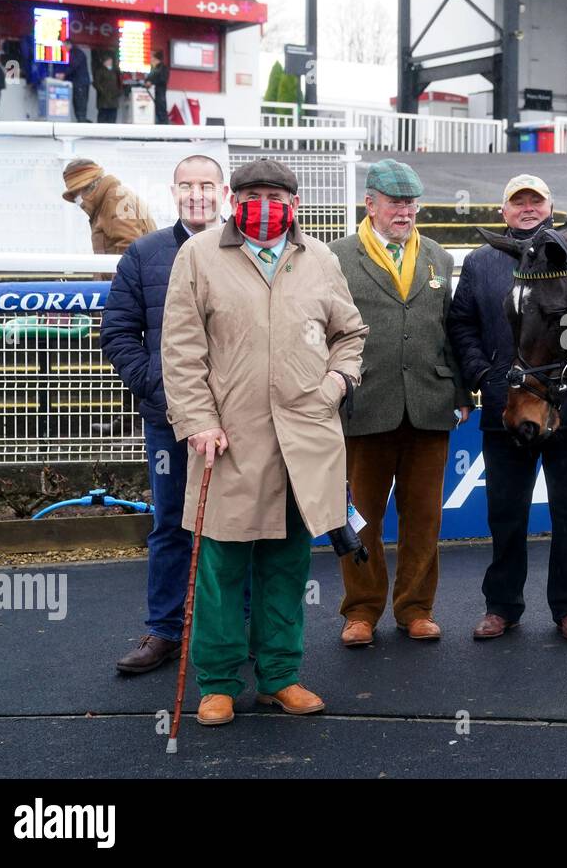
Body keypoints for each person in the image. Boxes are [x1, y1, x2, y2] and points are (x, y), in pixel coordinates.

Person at [162, 159, 368, 727]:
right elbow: (181, 349)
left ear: (295, 204)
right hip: (227, 442)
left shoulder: (320, 259)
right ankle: (219, 682)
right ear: (233, 198)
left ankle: (279, 676)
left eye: (275, 194)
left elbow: (350, 333)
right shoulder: (199, 256)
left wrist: (335, 384)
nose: (263, 202)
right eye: (251, 193)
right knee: (222, 568)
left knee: (286, 565)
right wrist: (198, 420)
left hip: (304, 442)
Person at [447, 175, 567, 643]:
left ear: (550, 208)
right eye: (517, 202)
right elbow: (462, 325)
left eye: (534, 201)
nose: (527, 209)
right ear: (503, 212)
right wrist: (484, 377)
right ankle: (502, 607)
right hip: (506, 409)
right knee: (506, 513)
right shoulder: (481, 263)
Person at [327, 160, 472, 646]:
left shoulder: (438, 257)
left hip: (430, 405)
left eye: (411, 203)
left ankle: (415, 608)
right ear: (370, 204)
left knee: (424, 517)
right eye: (395, 202)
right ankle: (361, 612)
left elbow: (450, 330)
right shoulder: (337, 257)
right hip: (364, 404)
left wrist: (461, 393)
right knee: (361, 517)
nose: (405, 211)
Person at [101, 155, 227, 673]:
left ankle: (235, 629)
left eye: (206, 186)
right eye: (186, 186)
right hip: (169, 421)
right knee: (172, 525)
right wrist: (164, 390)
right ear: (174, 192)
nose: (197, 195)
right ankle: (165, 631)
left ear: (223, 192)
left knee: (236, 526)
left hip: (237, 421)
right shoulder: (144, 254)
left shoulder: (248, 251)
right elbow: (118, 334)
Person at [62, 159, 157, 257]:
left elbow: (129, 246)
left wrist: (117, 272)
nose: (77, 201)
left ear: (86, 188)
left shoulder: (113, 200)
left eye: (75, 194)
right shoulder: (113, 196)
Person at [64, 45, 91, 123]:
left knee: (80, 106)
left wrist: (64, 74)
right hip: (79, 83)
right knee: (78, 106)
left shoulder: (76, 53)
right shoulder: (75, 53)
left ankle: (82, 124)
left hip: (80, 84)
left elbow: (73, 66)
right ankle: (81, 121)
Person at [92, 52, 120, 124]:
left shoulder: (115, 71)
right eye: (108, 60)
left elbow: (119, 83)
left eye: (110, 60)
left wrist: (118, 92)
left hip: (114, 99)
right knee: (102, 118)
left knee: (112, 119)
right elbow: (96, 83)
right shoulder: (100, 71)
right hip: (103, 100)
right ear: (104, 62)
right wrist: (103, 92)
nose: (110, 62)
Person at [146, 50, 169, 124]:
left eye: (152, 57)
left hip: (160, 95)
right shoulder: (153, 69)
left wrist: (152, 83)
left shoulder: (163, 68)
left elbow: (163, 80)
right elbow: (147, 79)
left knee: (161, 114)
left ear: (156, 59)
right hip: (152, 95)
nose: (150, 59)